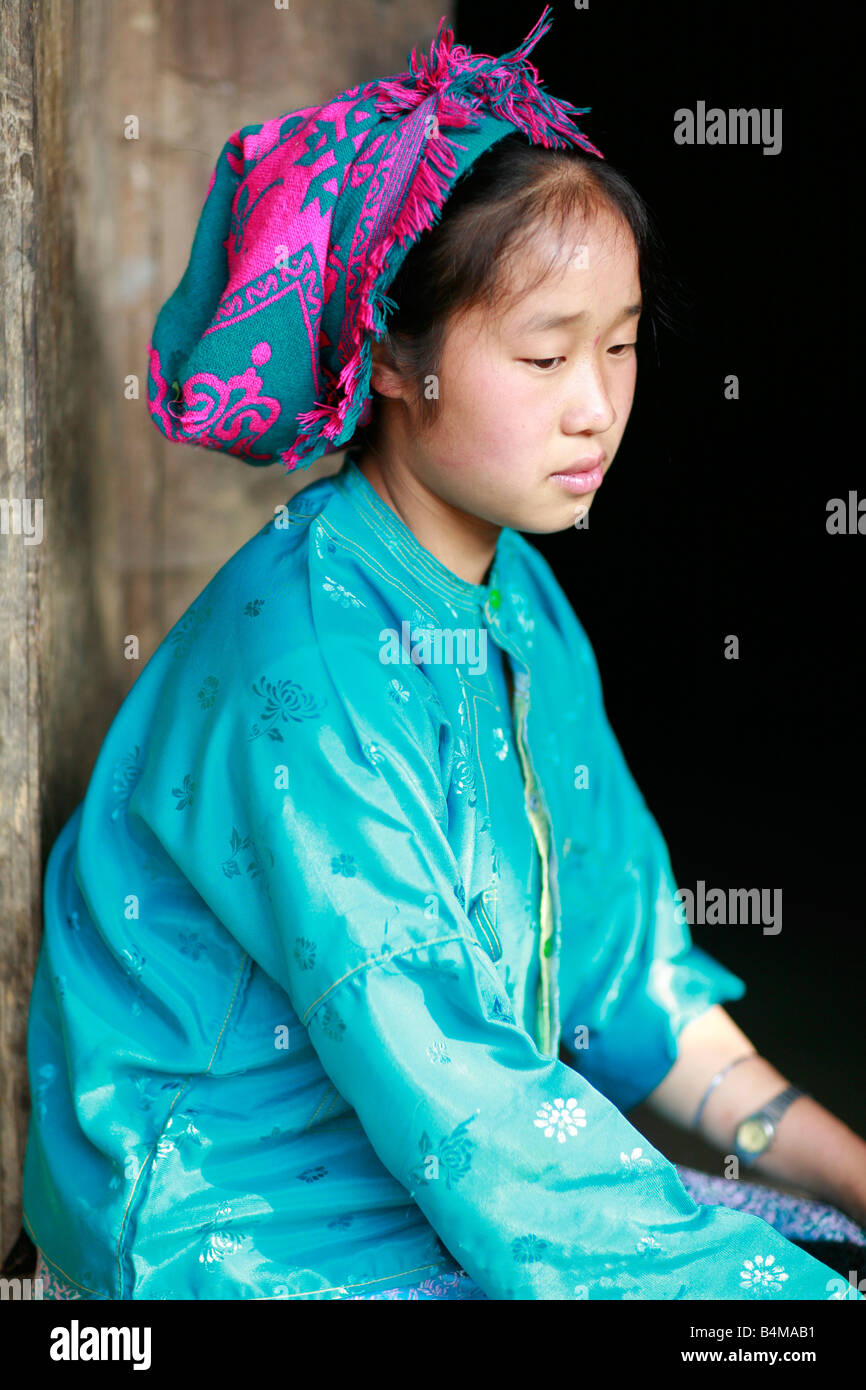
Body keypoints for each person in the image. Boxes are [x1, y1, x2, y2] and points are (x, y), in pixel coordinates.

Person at [22, 6, 866, 1301]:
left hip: (434, 1155)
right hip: (228, 1210)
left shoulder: (513, 596)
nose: (596, 406)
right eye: (543, 354)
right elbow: (462, 1100)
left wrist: (841, 1167)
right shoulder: (305, 662)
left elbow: (620, 973)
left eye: (622, 345)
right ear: (398, 356)